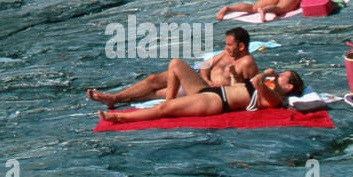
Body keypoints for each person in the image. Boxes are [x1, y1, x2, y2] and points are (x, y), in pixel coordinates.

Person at [87, 27, 258, 108]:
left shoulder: (247, 64)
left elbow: (249, 91)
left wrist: (219, 85)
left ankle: (115, 99)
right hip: (200, 78)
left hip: (206, 91)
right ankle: (115, 97)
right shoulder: (227, 54)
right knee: (153, 79)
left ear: (241, 46)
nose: (226, 47)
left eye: (230, 45)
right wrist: (206, 78)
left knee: (156, 93)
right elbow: (205, 65)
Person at [98, 59, 303, 123]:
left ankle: (120, 117)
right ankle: (169, 104)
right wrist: (234, 76)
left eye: (283, 75)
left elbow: (257, 83)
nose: (279, 75)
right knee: (176, 63)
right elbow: (243, 86)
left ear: (289, 86)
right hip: (212, 91)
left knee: (162, 109)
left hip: (215, 103)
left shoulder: (275, 99)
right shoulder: (270, 88)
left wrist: (268, 73)